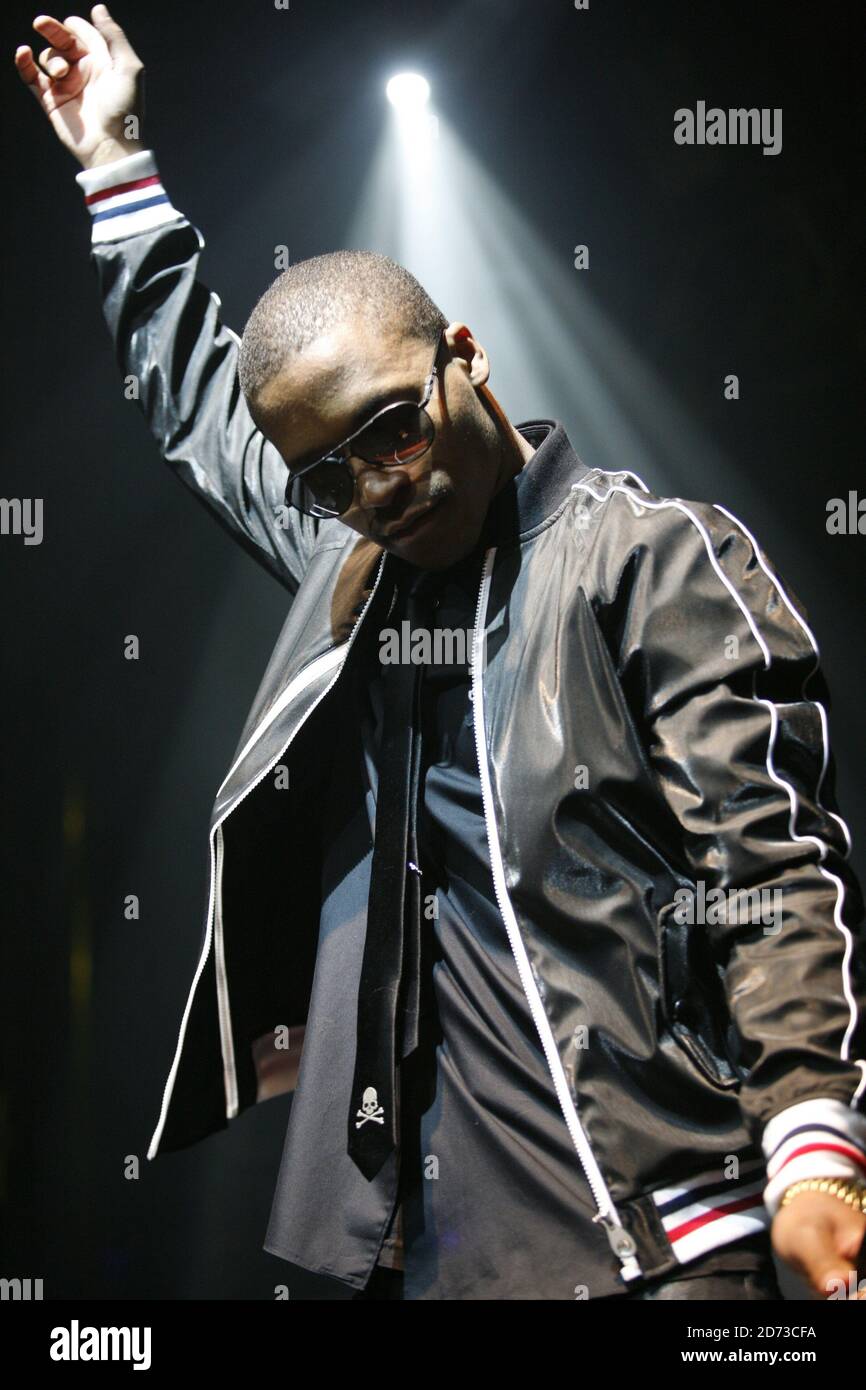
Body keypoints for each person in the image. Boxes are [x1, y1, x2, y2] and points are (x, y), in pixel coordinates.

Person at [16, 5, 866, 1302]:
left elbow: (766, 861)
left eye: (393, 429)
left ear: (460, 352)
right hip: (433, 1261)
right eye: (332, 475)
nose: (378, 487)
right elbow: (195, 400)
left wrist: (812, 1148)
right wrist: (112, 164)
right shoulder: (351, 567)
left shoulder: (644, 558)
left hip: (662, 1240)